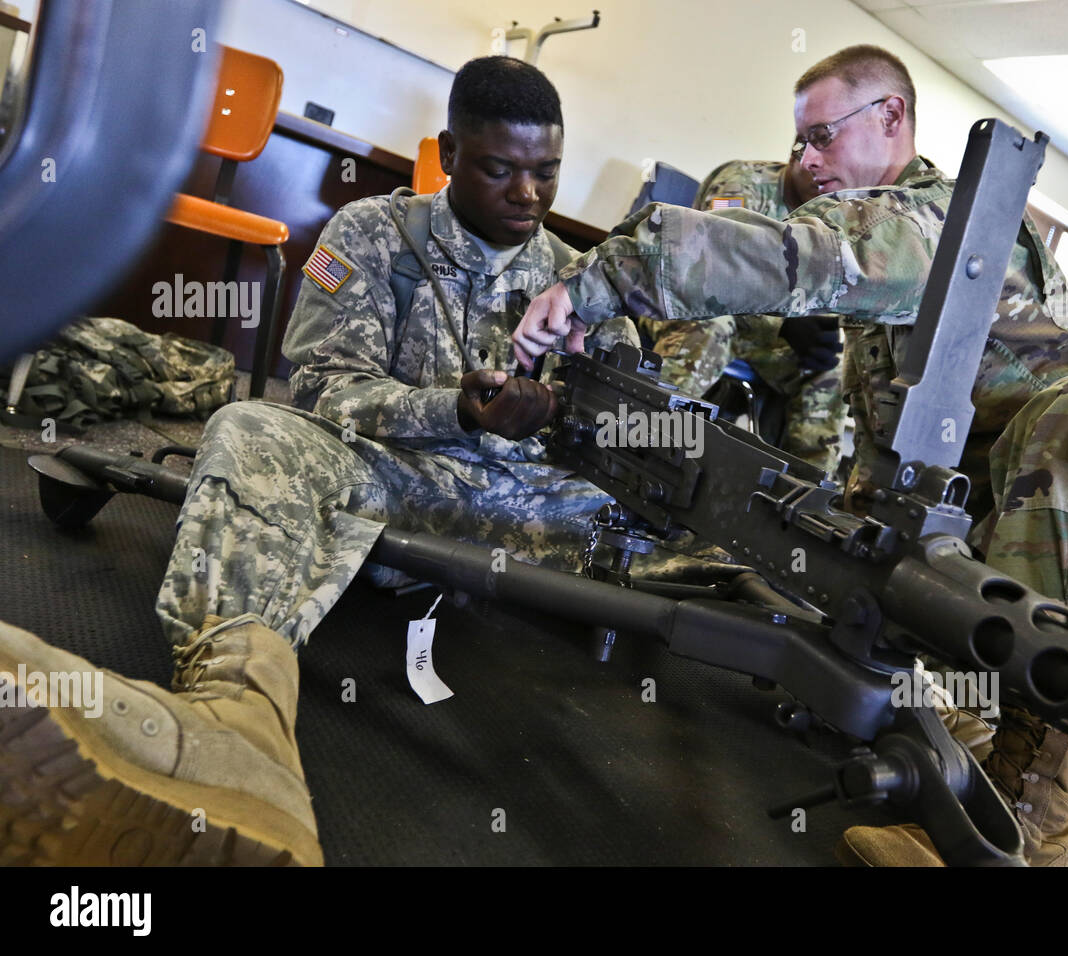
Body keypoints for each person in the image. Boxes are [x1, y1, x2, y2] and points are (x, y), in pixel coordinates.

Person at [511, 45, 1068, 867]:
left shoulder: (935, 224)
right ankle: (1001, 729)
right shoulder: (892, 284)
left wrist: (598, 279)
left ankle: (1039, 821)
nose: (806, 160)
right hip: (1041, 488)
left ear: (891, 116)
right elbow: (886, 473)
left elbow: (793, 256)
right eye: (799, 142)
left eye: (822, 136)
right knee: (889, 531)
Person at [0, 56, 635, 866]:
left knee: (675, 524)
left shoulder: (584, 283)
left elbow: (625, 434)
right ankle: (239, 724)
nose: (529, 195)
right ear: (449, 153)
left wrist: (574, 418)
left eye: (547, 172)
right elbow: (325, 387)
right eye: (500, 169)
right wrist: (457, 409)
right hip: (396, 478)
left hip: (534, 507)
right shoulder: (373, 234)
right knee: (251, 427)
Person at [642, 152, 845, 474]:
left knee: (830, 371)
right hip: (682, 303)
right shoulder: (740, 186)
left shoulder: (828, 214)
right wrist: (783, 324)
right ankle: (643, 444)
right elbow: (711, 270)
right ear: (799, 154)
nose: (829, 184)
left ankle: (806, 487)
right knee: (711, 327)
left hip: (757, 333)